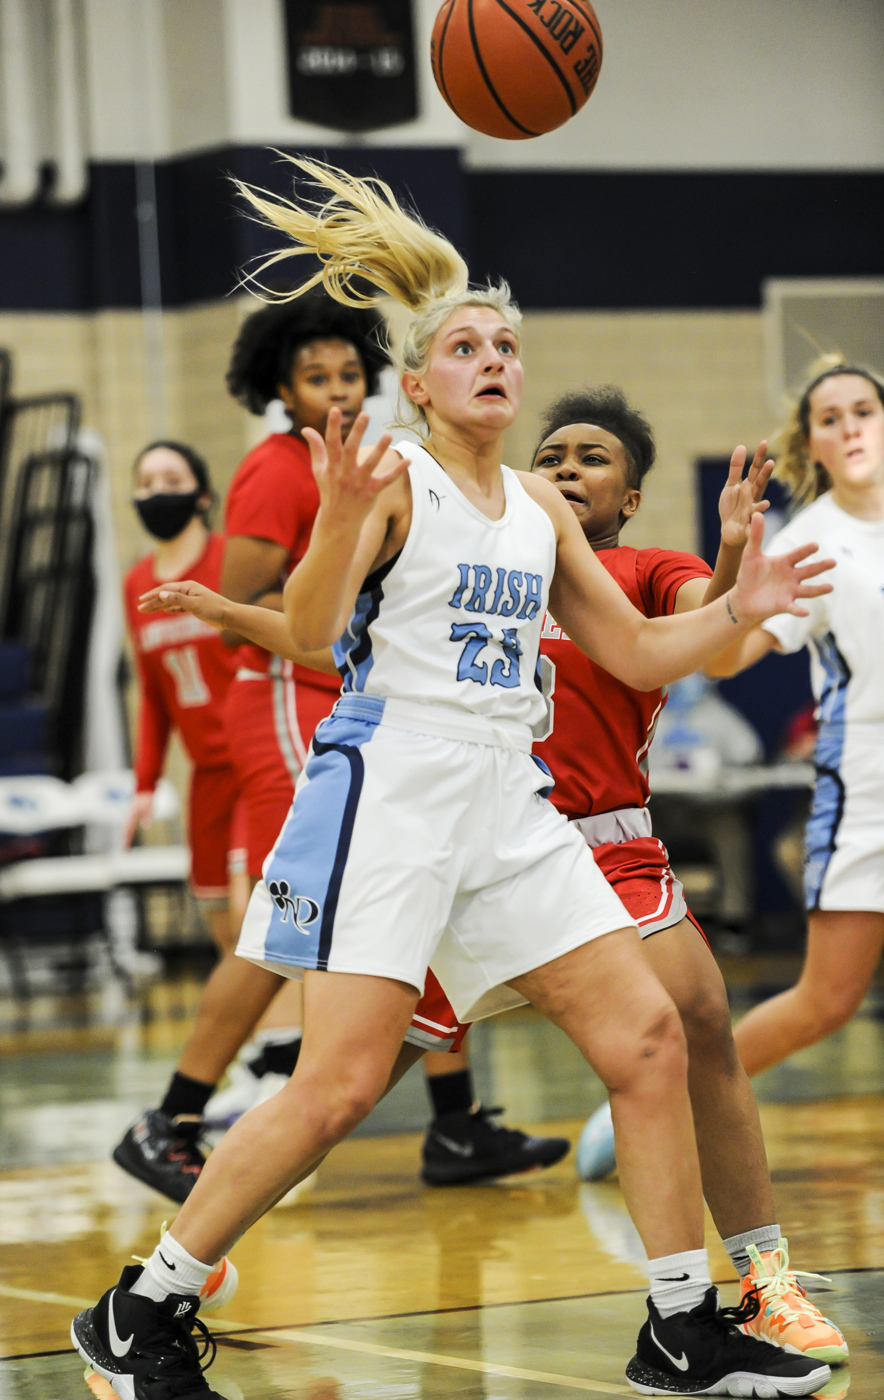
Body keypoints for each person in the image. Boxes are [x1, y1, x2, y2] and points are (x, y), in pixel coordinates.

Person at [72, 157, 833, 1399]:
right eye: (466, 345)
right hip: (393, 784)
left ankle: (679, 1326)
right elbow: (314, 633)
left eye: (507, 344)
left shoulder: (539, 506)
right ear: (417, 382)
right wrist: (331, 520)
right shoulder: (391, 482)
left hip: (506, 796)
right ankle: (141, 1306)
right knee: (334, 1088)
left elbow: (635, 647)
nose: (493, 359)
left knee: (644, 1036)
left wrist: (735, 611)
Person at [114, 295, 568, 1202]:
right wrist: (346, 561)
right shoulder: (286, 469)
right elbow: (251, 607)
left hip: (379, 713)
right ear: (279, 389)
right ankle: (175, 1113)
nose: (333, 391)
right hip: (296, 698)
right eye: (314, 378)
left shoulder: (411, 470)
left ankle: (454, 1120)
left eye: (347, 375)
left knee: (436, 903)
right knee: (292, 923)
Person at [529, 388, 846, 1364]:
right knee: (344, 1078)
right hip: (481, 850)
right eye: (549, 454)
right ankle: (170, 1277)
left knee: (700, 1017)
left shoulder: (642, 567)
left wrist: (728, 558)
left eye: (591, 456)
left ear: (627, 499)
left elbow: (707, 620)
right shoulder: (484, 566)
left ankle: (758, 1276)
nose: (565, 466)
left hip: (607, 843)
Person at [704, 358, 884, 1080]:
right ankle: (673, 1106)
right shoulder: (809, 544)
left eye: (863, 410)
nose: (849, 427)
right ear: (811, 445)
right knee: (826, 1000)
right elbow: (722, 663)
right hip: (867, 791)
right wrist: (737, 593)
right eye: (829, 418)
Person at [123, 440, 246, 953]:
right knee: (220, 923)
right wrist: (145, 782)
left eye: (171, 481)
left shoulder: (233, 561)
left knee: (251, 907)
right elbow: (153, 695)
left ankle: (297, 1033)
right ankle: (264, 1034)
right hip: (206, 776)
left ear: (202, 495)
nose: (157, 492)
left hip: (255, 763)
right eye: (146, 483)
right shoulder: (136, 585)